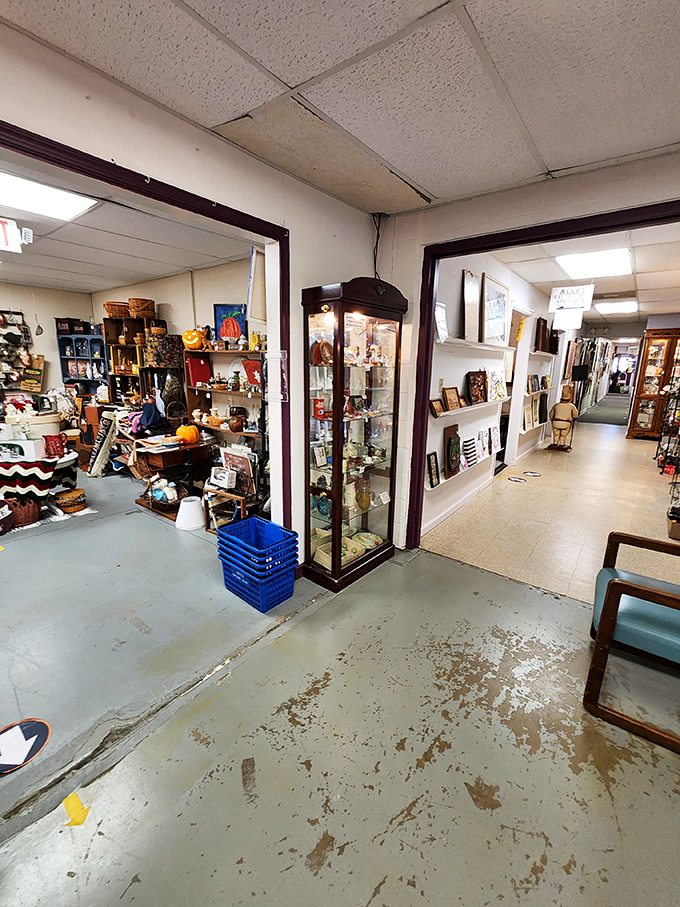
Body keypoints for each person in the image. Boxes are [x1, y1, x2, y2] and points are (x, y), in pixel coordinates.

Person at [549, 385, 578, 449]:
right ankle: (562, 444)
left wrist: (551, 419)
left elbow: (551, 414)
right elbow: (575, 415)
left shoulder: (556, 405)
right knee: (563, 434)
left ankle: (555, 443)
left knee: (556, 434)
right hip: (566, 422)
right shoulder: (571, 406)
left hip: (556, 422)